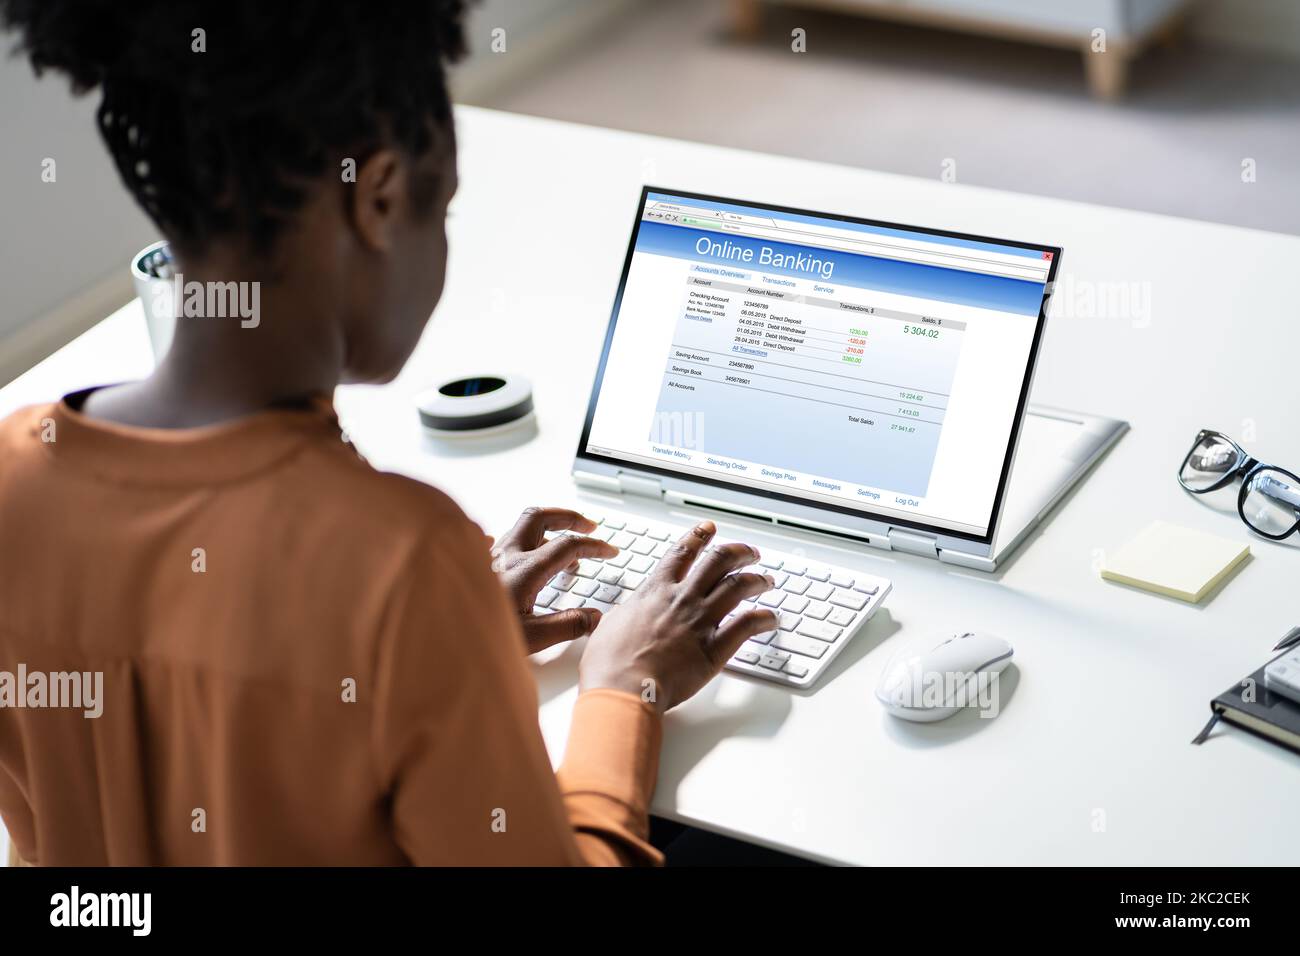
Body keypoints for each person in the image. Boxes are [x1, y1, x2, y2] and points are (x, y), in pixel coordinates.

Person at [0, 0, 778, 865]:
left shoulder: (12, 479)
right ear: (377, 197)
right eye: (439, 209)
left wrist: (445, 659)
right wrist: (624, 689)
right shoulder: (404, 561)